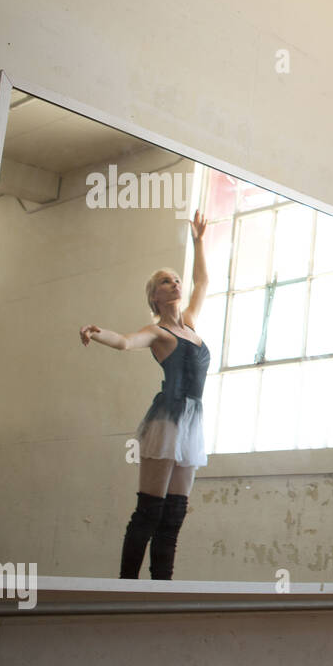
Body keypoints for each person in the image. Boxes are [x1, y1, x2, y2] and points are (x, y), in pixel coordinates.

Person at [80, 210, 210, 581]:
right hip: (167, 419)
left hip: (192, 421)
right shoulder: (157, 333)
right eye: (167, 282)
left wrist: (200, 242)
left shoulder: (192, 324)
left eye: (176, 280)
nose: (175, 284)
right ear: (154, 295)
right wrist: (97, 331)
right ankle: (125, 585)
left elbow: (203, 281)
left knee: (175, 512)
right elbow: (124, 342)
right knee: (150, 510)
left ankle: (162, 588)